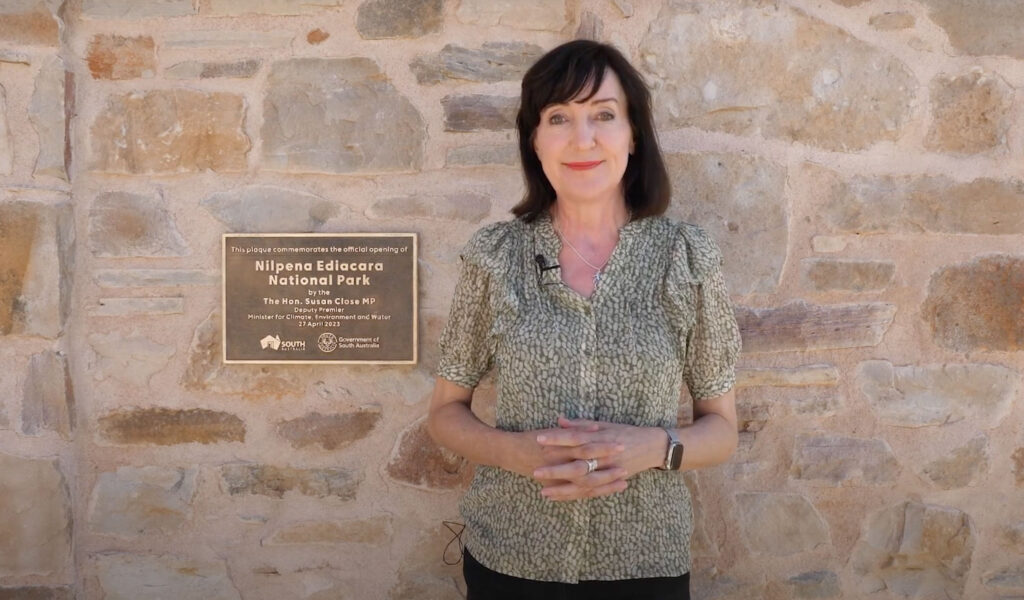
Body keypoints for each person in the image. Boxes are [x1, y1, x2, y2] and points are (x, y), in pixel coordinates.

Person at [427, 39, 742, 600]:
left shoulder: (685, 257)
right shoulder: (496, 255)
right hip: (512, 558)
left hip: (643, 563)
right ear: (535, 140)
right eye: (559, 118)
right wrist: (515, 453)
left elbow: (721, 428)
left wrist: (653, 448)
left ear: (632, 134)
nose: (583, 139)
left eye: (603, 115)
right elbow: (446, 412)